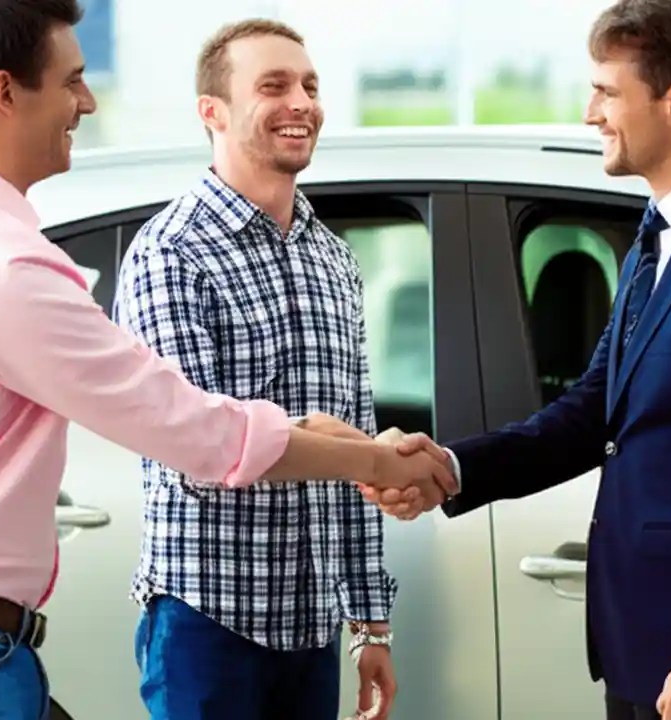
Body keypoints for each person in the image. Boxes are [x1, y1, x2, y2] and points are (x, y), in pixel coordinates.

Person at [0, 3, 451, 719]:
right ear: (6, 93)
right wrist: (374, 463)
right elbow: (190, 428)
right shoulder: (7, 268)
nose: (87, 101)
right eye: (71, 80)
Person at [367, 1, 671, 719]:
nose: (591, 112)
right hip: (645, 647)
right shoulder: (655, 240)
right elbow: (595, 413)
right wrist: (452, 470)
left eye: (607, 91)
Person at [112, 18, 409, 720]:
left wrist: (369, 623)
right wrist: (370, 456)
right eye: (273, 86)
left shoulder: (334, 260)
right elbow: (198, 453)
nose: (301, 102)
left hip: (310, 629)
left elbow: (354, 460)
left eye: (309, 85)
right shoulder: (171, 255)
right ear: (211, 112)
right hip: (206, 621)